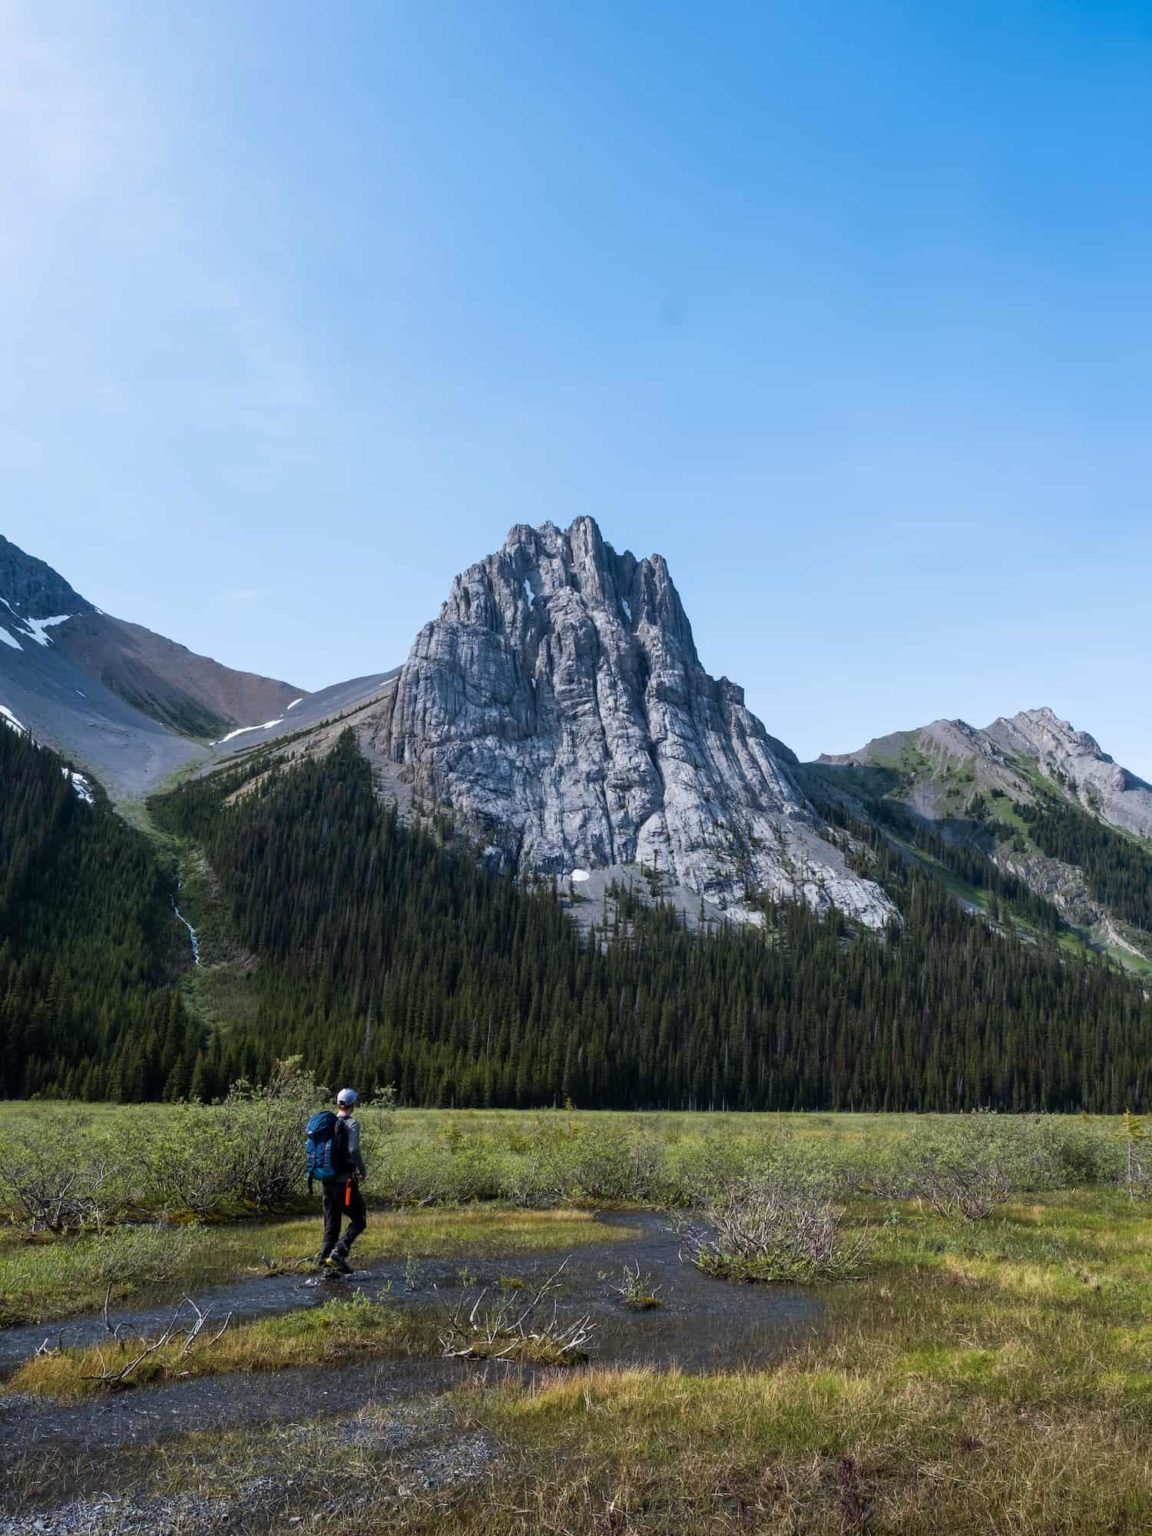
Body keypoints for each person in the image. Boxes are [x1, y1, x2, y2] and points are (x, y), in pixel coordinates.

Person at [320, 1087, 367, 1275]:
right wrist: (362, 1170)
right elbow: (353, 1150)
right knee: (359, 1220)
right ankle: (339, 1252)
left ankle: (326, 1265)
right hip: (344, 1184)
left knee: (331, 1224)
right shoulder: (352, 1124)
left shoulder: (327, 1122)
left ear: (338, 1103)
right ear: (352, 1105)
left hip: (326, 1180)